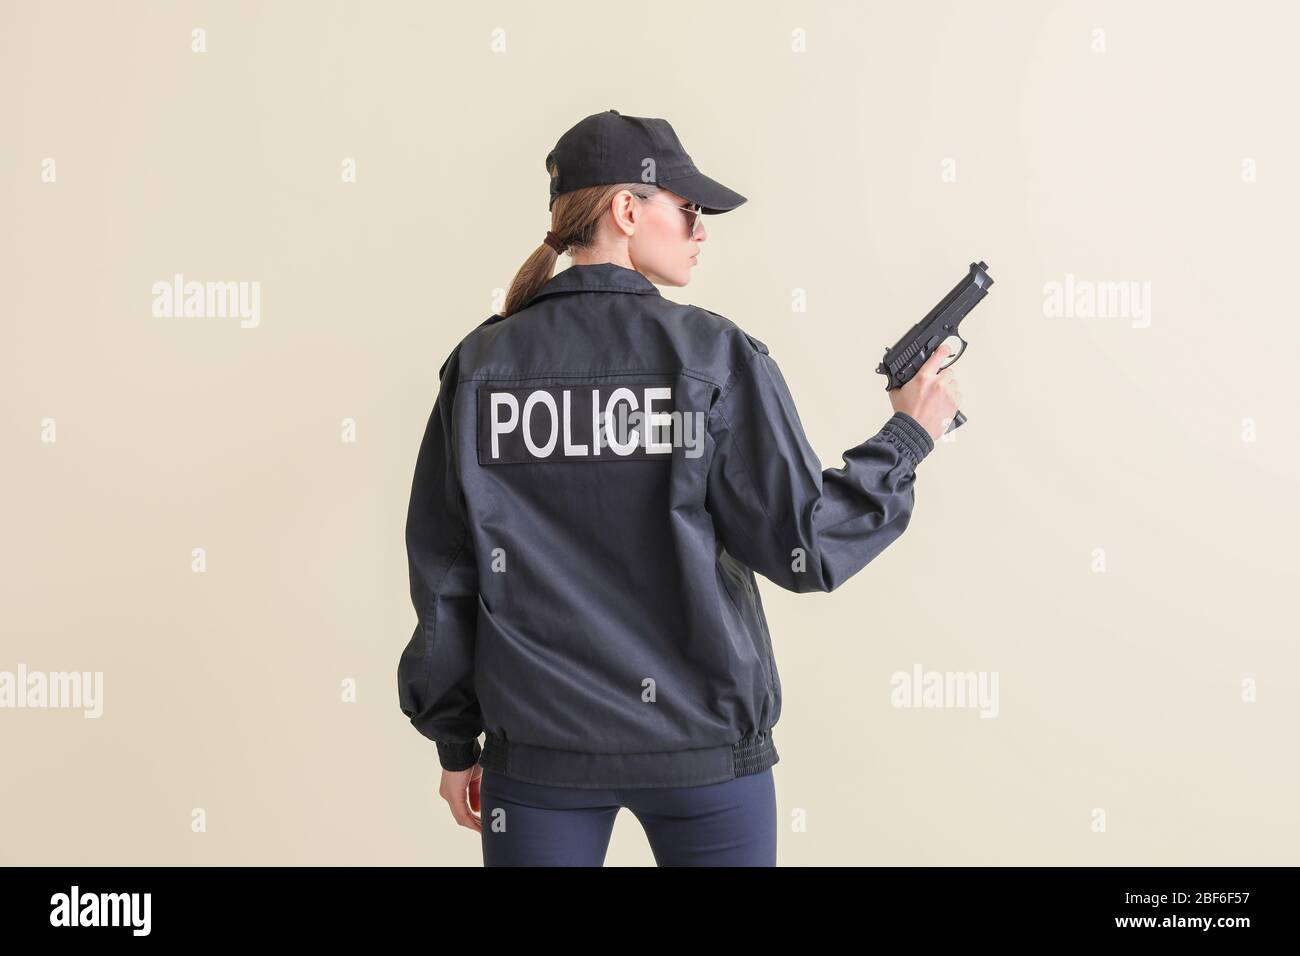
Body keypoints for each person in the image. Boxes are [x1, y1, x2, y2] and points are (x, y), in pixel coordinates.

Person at [398, 109, 961, 866]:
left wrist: (453, 739)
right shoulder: (715, 355)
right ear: (627, 211)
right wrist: (907, 436)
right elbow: (807, 545)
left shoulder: (479, 366)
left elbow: (444, 573)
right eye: (688, 210)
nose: (702, 231)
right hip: (701, 751)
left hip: (538, 755)